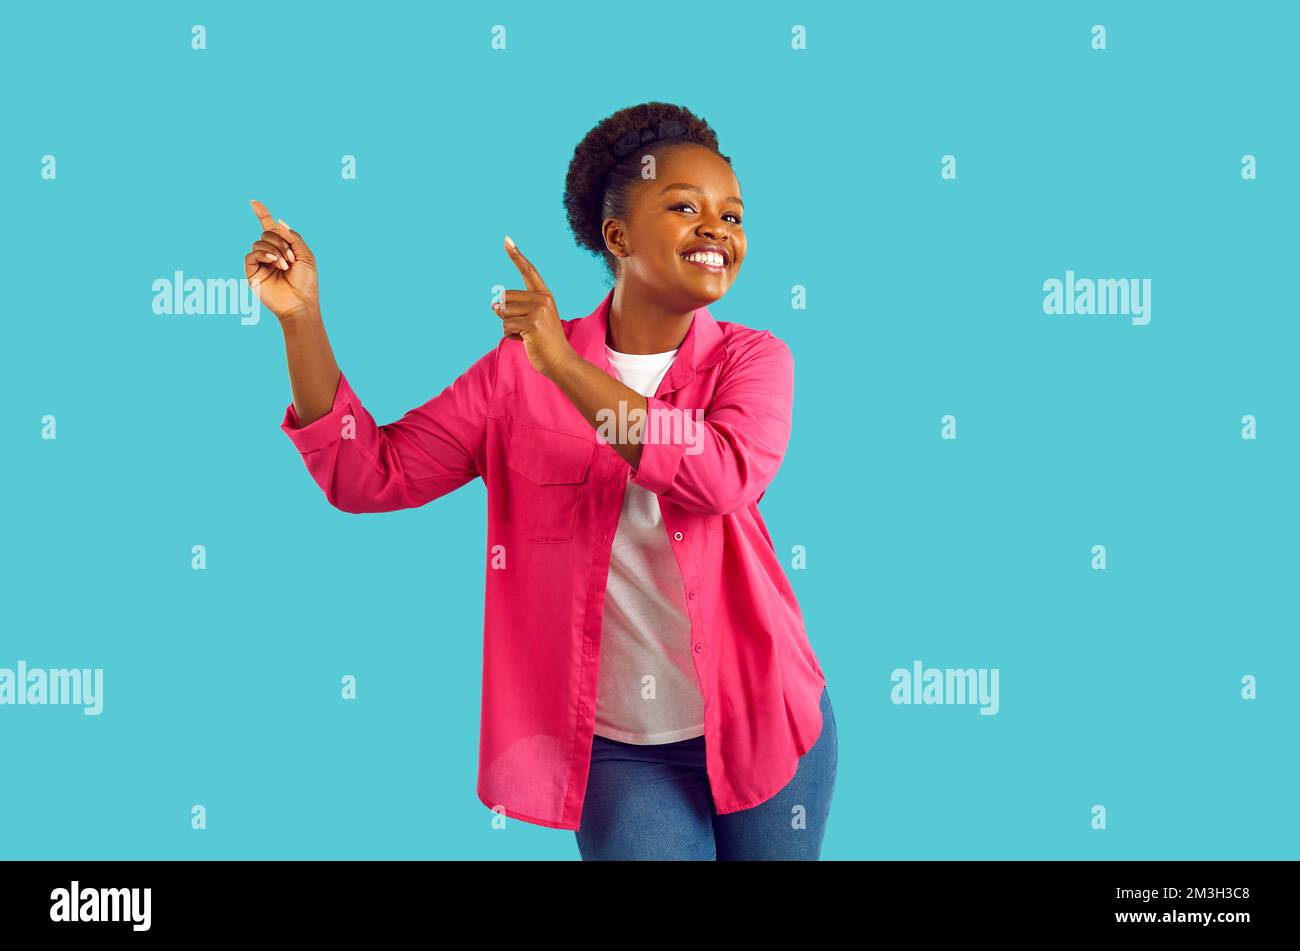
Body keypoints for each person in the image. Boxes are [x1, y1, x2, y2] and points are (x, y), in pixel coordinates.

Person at [248, 101, 836, 860]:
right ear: (617, 236)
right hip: (622, 751)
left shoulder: (753, 360)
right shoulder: (513, 382)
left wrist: (565, 364)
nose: (717, 229)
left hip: (767, 718)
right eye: (685, 206)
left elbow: (718, 474)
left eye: (733, 214)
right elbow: (371, 473)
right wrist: (302, 321)